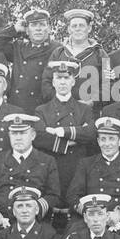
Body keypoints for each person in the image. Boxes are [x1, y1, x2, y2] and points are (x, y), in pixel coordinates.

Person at [0, 113, 62, 227]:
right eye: (14, 133)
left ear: (32, 135)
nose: (18, 138)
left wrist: (34, 211)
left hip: (35, 222)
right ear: (9, 135)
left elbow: (54, 195)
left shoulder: (47, 161)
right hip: (2, 222)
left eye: (22, 133)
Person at [34, 59, 96, 198]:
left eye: (66, 78)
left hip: (77, 167)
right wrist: (73, 140)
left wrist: (61, 131)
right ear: (53, 82)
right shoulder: (42, 110)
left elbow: (91, 134)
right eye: (58, 78)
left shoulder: (84, 109)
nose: (62, 82)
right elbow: (39, 138)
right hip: (50, 167)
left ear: (73, 81)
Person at [0, 6, 56, 112]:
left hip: (42, 108)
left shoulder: (56, 49)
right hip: (16, 105)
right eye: (33, 25)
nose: (38, 28)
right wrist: (15, 29)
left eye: (42, 25)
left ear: (49, 29)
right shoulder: (19, 47)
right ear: (27, 30)